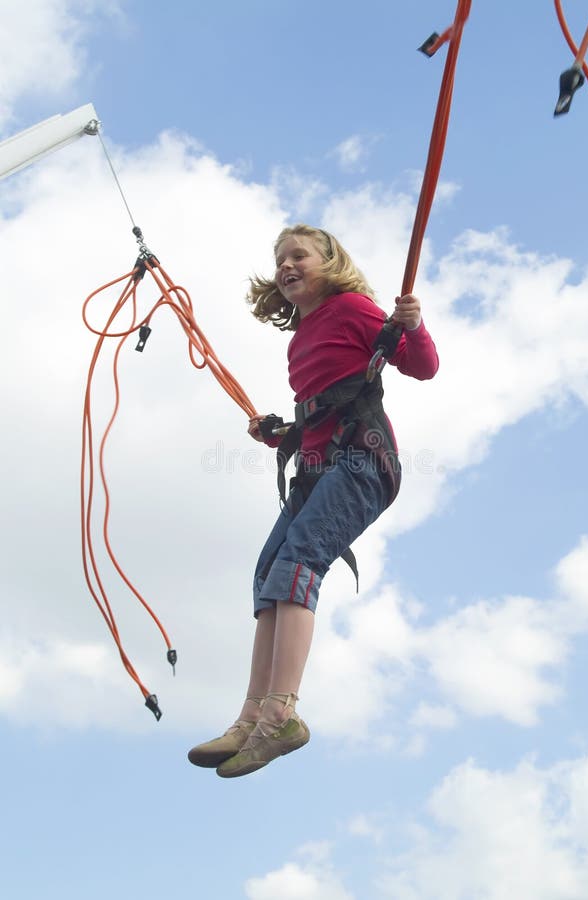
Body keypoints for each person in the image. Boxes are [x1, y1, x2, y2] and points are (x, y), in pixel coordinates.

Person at [188, 224, 439, 777]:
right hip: (320, 466)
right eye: (280, 259)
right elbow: (324, 410)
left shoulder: (352, 309)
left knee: (300, 559)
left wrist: (413, 327)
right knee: (269, 574)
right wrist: (278, 434)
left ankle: (281, 713)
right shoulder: (300, 337)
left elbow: (422, 367)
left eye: (298, 255)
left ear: (330, 263)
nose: (286, 265)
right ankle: (251, 716)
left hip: (363, 460)